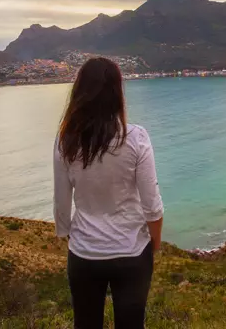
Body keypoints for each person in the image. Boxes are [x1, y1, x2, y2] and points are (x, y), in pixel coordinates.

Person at [53, 57, 164, 329]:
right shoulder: (136, 138)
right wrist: (155, 244)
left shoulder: (65, 141)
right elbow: (152, 206)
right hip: (131, 252)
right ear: (117, 93)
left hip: (84, 254)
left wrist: (72, 236)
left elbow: (61, 204)